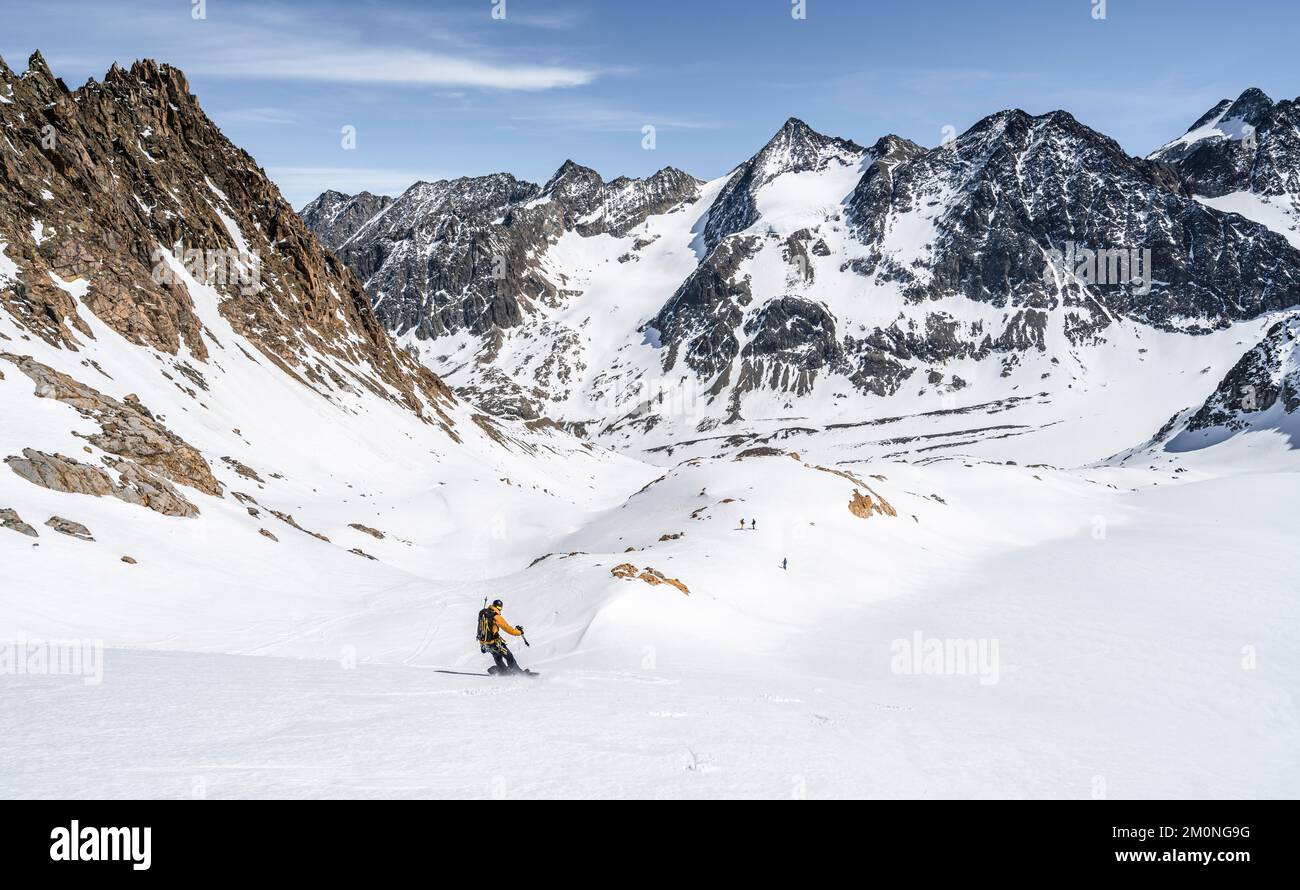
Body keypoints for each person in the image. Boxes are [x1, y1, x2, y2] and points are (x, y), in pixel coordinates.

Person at [477, 599, 525, 674]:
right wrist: (519, 632)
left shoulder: (484, 614)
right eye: (500, 608)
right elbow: (508, 629)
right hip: (495, 643)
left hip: (486, 643)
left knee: (497, 656)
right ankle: (518, 673)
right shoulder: (496, 616)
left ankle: (503, 671)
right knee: (509, 656)